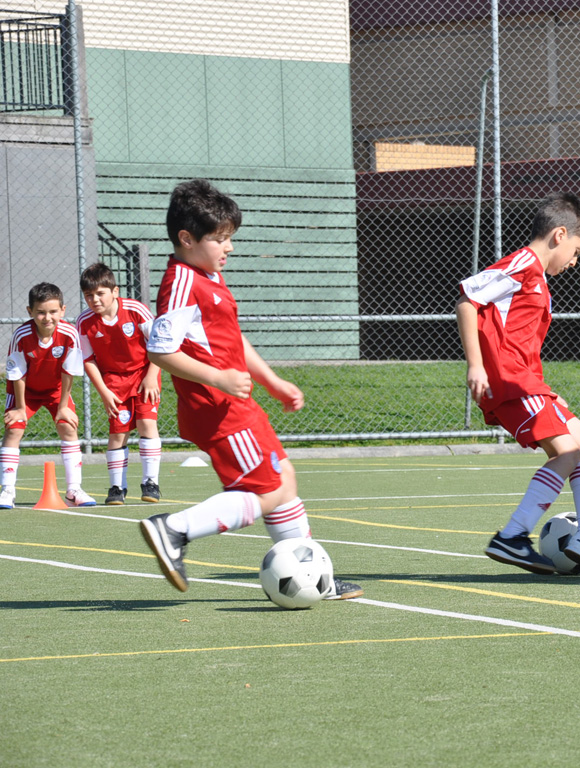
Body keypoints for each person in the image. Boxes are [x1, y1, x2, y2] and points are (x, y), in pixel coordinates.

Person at [139, 179, 362, 600]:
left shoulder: (209, 276)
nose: (229, 247)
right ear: (187, 239)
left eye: (230, 238)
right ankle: (173, 529)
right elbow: (160, 350)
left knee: (284, 478)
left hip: (237, 403)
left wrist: (272, 381)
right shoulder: (183, 281)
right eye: (220, 239)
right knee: (270, 488)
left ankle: (314, 578)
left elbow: (232, 338)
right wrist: (219, 378)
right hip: (217, 406)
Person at [456, 192, 580, 578]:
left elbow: (520, 341)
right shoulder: (523, 264)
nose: (574, 261)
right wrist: (476, 364)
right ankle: (513, 536)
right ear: (559, 235)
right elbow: (468, 301)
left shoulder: (536, 279)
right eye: (577, 250)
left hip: (529, 383)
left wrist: (547, 392)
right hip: (511, 383)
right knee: (567, 453)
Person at [2, 283, 96, 508]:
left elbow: (69, 371)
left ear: (62, 310)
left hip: (56, 390)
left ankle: (74, 490)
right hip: (25, 390)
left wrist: (63, 406)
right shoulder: (21, 335)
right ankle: (7, 490)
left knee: (67, 425)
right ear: (30, 311)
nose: (47, 317)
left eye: (53, 312)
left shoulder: (69, 333)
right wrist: (21, 408)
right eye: (41, 312)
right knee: (14, 428)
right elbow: (17, 373)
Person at [77, 263, 163, 505]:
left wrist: (150, 376)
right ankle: (117, 488)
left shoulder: (136, 310)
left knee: (147, 422)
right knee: (118, 432)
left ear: (115, 291)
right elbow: (87, 360)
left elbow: (159, 345)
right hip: (113, 381)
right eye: (88, 295)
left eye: (100, 293)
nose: (94, 300)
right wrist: (104, 392)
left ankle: (151, 483)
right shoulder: (83, 322)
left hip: (145, 372)